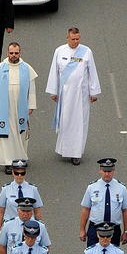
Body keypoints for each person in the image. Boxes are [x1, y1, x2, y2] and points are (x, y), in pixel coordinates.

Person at [47, 29, 101, 165]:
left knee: (79, 123)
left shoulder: (86, 52)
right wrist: (53, 91)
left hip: (80, 95)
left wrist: (93, 92)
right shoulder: (59, 51)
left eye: (78, 39)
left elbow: (92, 72)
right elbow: (54, 72)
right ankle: (64, 149)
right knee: (65, 121)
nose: (76, 41)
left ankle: (76, 153)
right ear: (67, 38)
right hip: (64, 95)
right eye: (73, 39)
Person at [0, 42, 38, 169]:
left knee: (20, 131)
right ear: (7, 53)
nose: (14, 55)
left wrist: (31, 105)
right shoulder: (0, 68)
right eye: (11, 53)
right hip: (5, 106)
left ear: (20, 53)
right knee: (7, 133)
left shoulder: (26, 68)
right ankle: (8, 161)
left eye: (16, 53)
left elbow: (31, 89)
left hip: (20, 106)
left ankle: (21, 157)